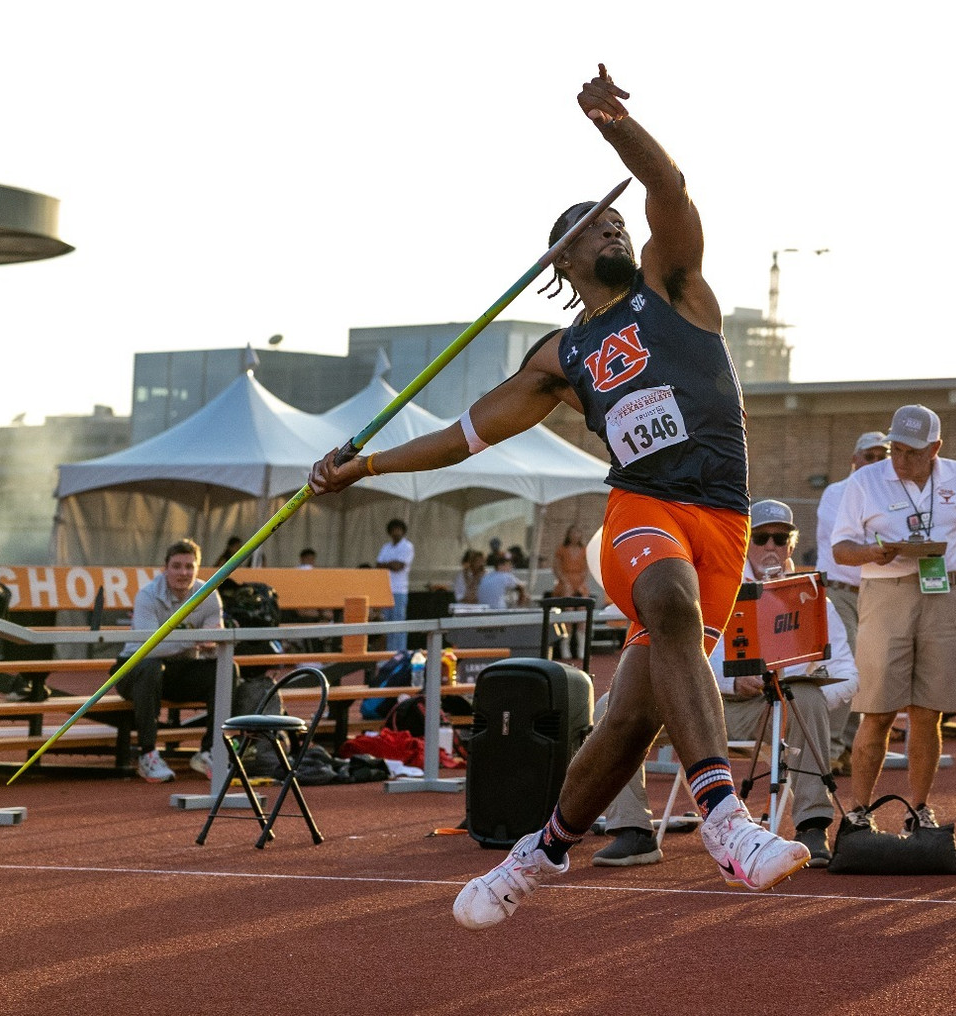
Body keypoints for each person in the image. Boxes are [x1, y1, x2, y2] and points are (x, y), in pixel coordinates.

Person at [310, 65, 807, 930]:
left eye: (614, 220)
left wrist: (615, 124)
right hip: (643, 510)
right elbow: (467, 433)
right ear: (561, 259)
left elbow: (668, 186)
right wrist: (368, 463)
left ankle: (536, 851)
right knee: (665, 597)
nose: (613, 225)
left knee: (628, 725)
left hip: (722, 516)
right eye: (593, 226)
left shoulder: (675, 288)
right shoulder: (561, 356)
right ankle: (727, 818)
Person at [595, 499, 856, 870]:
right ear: (746, 541)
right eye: (761, 538)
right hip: (701, 702)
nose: (770, 547)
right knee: (609, 705)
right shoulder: (712, 586)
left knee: (809, 696)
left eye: (779, 539)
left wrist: (790, 692)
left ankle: (812, 826)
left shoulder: (815, 599)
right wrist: (733, 681)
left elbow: (850, 675)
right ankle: (632, 830)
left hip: (771, 709)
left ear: (792, 546)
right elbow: (686, 654)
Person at [829, 404, 956, 827]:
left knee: (929, 712)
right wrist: (873, 553)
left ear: (935, 447)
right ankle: (858, 811)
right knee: (876, 710)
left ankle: (920, 808)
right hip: (885, 590)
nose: (901, 459)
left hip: (945, 589)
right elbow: (841, 550)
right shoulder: (864, 481)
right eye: (895, 449)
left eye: (912, 451)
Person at [116, 539, 224, 783]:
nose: (183, 573)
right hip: (134, 670)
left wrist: (212, 645)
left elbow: (214, 641)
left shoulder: (209, 595)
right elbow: (150, 648)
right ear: (165, 568)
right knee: (151, 667)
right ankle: (148, 755)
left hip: (179, 671)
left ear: (197, 569)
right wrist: (193, 640)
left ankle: (210, 751)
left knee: (227, 670)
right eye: (176, 566)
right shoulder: (147, 596)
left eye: (189, 566)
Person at [816, 430, 889, 770]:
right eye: (870, 456)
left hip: (876, 593)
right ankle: (829, 751)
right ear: (855, 460)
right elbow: (847, 543)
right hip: (838, 592)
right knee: (843, 669)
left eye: (882, 456)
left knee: (867, 672)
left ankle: (847, 748)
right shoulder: (837, 492)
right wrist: (882, 545)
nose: (876, 462)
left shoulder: (889, 493)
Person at [552, 525, 592, 657]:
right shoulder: (562, 550)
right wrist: (565, 582)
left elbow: (586, 569)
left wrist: (580, 583)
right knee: (568, 613)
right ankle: (565, 647)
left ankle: (582, 648)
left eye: (578, 532)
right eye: (573, 532)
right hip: (565, 583)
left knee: (582, 613)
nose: (576, 535)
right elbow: (557, 568)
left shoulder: (584, 550)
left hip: (579, 583)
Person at [376, 518, 415, 651]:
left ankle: (399, 653)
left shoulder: (407, 546)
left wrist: (388, 564)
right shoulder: (386, 547)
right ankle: (387, 654)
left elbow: (398, 566)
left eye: (399, 529)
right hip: (385, 589)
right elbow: (378, 565)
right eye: (394, 530)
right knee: (386, 623)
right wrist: (390, 564)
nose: (396, 532)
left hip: (399, 590)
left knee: (398, 623)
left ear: (403, 531)